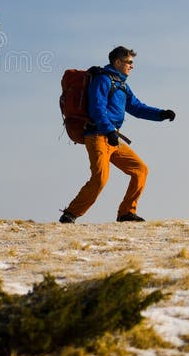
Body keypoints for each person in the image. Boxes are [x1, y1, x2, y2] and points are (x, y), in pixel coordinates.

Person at [60, 46, 175, 223]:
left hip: (113, 137)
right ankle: (70, 214)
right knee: (100, 179)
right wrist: (108, 130)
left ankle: (126, 212)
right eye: (129, 62)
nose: (132, 66)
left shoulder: (122, 85)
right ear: (118, 62)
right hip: (98, 136)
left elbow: (137, 107)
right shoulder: (103, 80)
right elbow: (96, 108)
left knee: (140, 170)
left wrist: (161, 114)